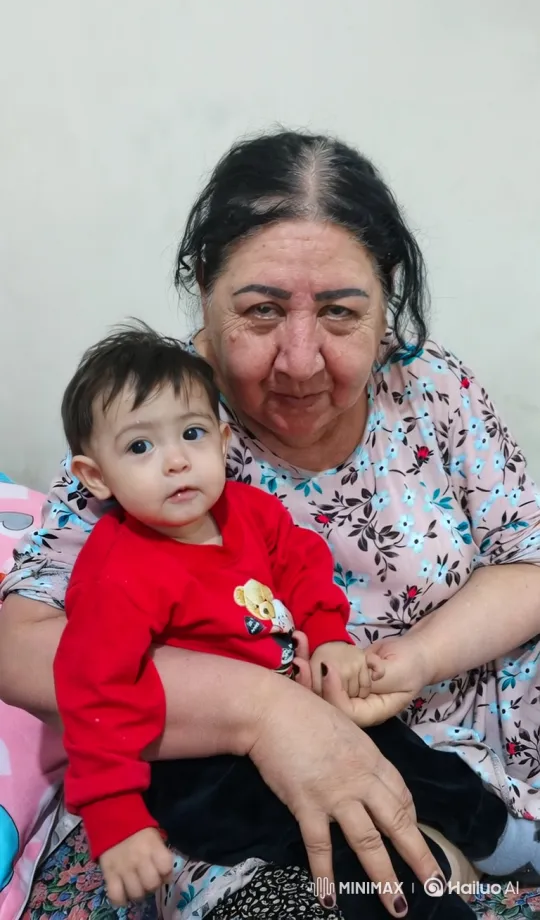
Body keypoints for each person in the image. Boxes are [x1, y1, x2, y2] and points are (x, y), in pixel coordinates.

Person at [0, 130, 539, 920]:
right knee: (352, 892)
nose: (300, 360)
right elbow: (21, 650)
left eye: (341, 313)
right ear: (204, 290)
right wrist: (265, 711)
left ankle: (482, 838)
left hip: (459, 723)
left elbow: (525, 559)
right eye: (261, 311)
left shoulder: (433, 388)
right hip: (245, 776)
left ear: (386, 297)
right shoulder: (153, 423)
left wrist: (414, 658)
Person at [54, 324, 530, 917]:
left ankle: (499, 839)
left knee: (410, 758)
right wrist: (115, 817)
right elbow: (91, 693)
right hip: (204, 771)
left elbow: (302, 568)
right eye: (139, 448)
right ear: (95, 476)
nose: (176, 461)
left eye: (192, 435)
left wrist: (329, 638)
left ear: (221, 441)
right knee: (350, 848)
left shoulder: (246, 510)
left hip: (305, 706)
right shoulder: (115, 573)